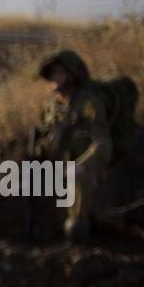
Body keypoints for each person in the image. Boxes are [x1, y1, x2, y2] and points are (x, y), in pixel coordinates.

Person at [32, 50, 112, 244]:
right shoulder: (50, 108)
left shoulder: (89, 104)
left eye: (60, 72)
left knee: (77, 181)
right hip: (56, 167)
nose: (54, 77)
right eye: (52, 73)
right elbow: (42, 141)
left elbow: (103, 144)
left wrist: (81, 165)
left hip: (84, 169)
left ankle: (78, 237)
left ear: (72, 76)